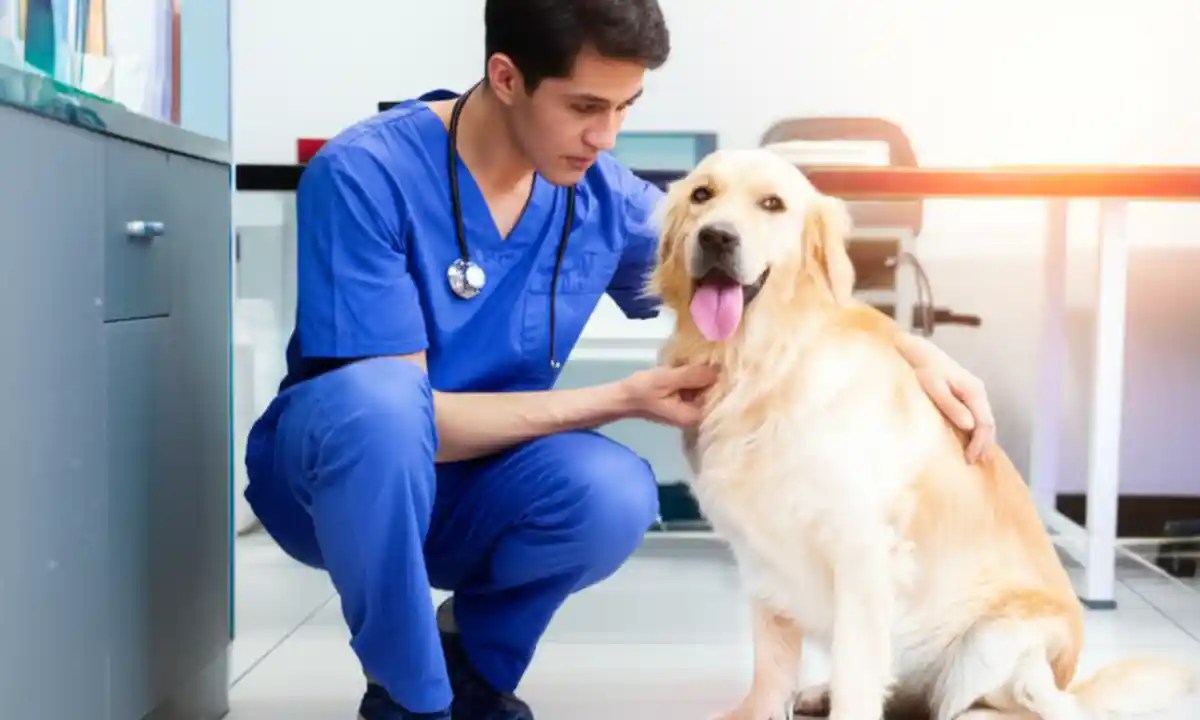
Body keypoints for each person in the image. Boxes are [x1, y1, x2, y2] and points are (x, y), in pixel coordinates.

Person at [243, 1, 996, 718]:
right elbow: (411, 425)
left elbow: (762, 276)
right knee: (382, 408)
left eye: (625, 107)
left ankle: (471, 665)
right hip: (334, 486)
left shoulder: (594, 193)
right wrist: (621, 397)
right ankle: (411, 697)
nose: (606, 136)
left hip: (475, 488)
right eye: (583, 108)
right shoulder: (365, 175)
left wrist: (906, 347)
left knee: (614, 492)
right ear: (506, 78)